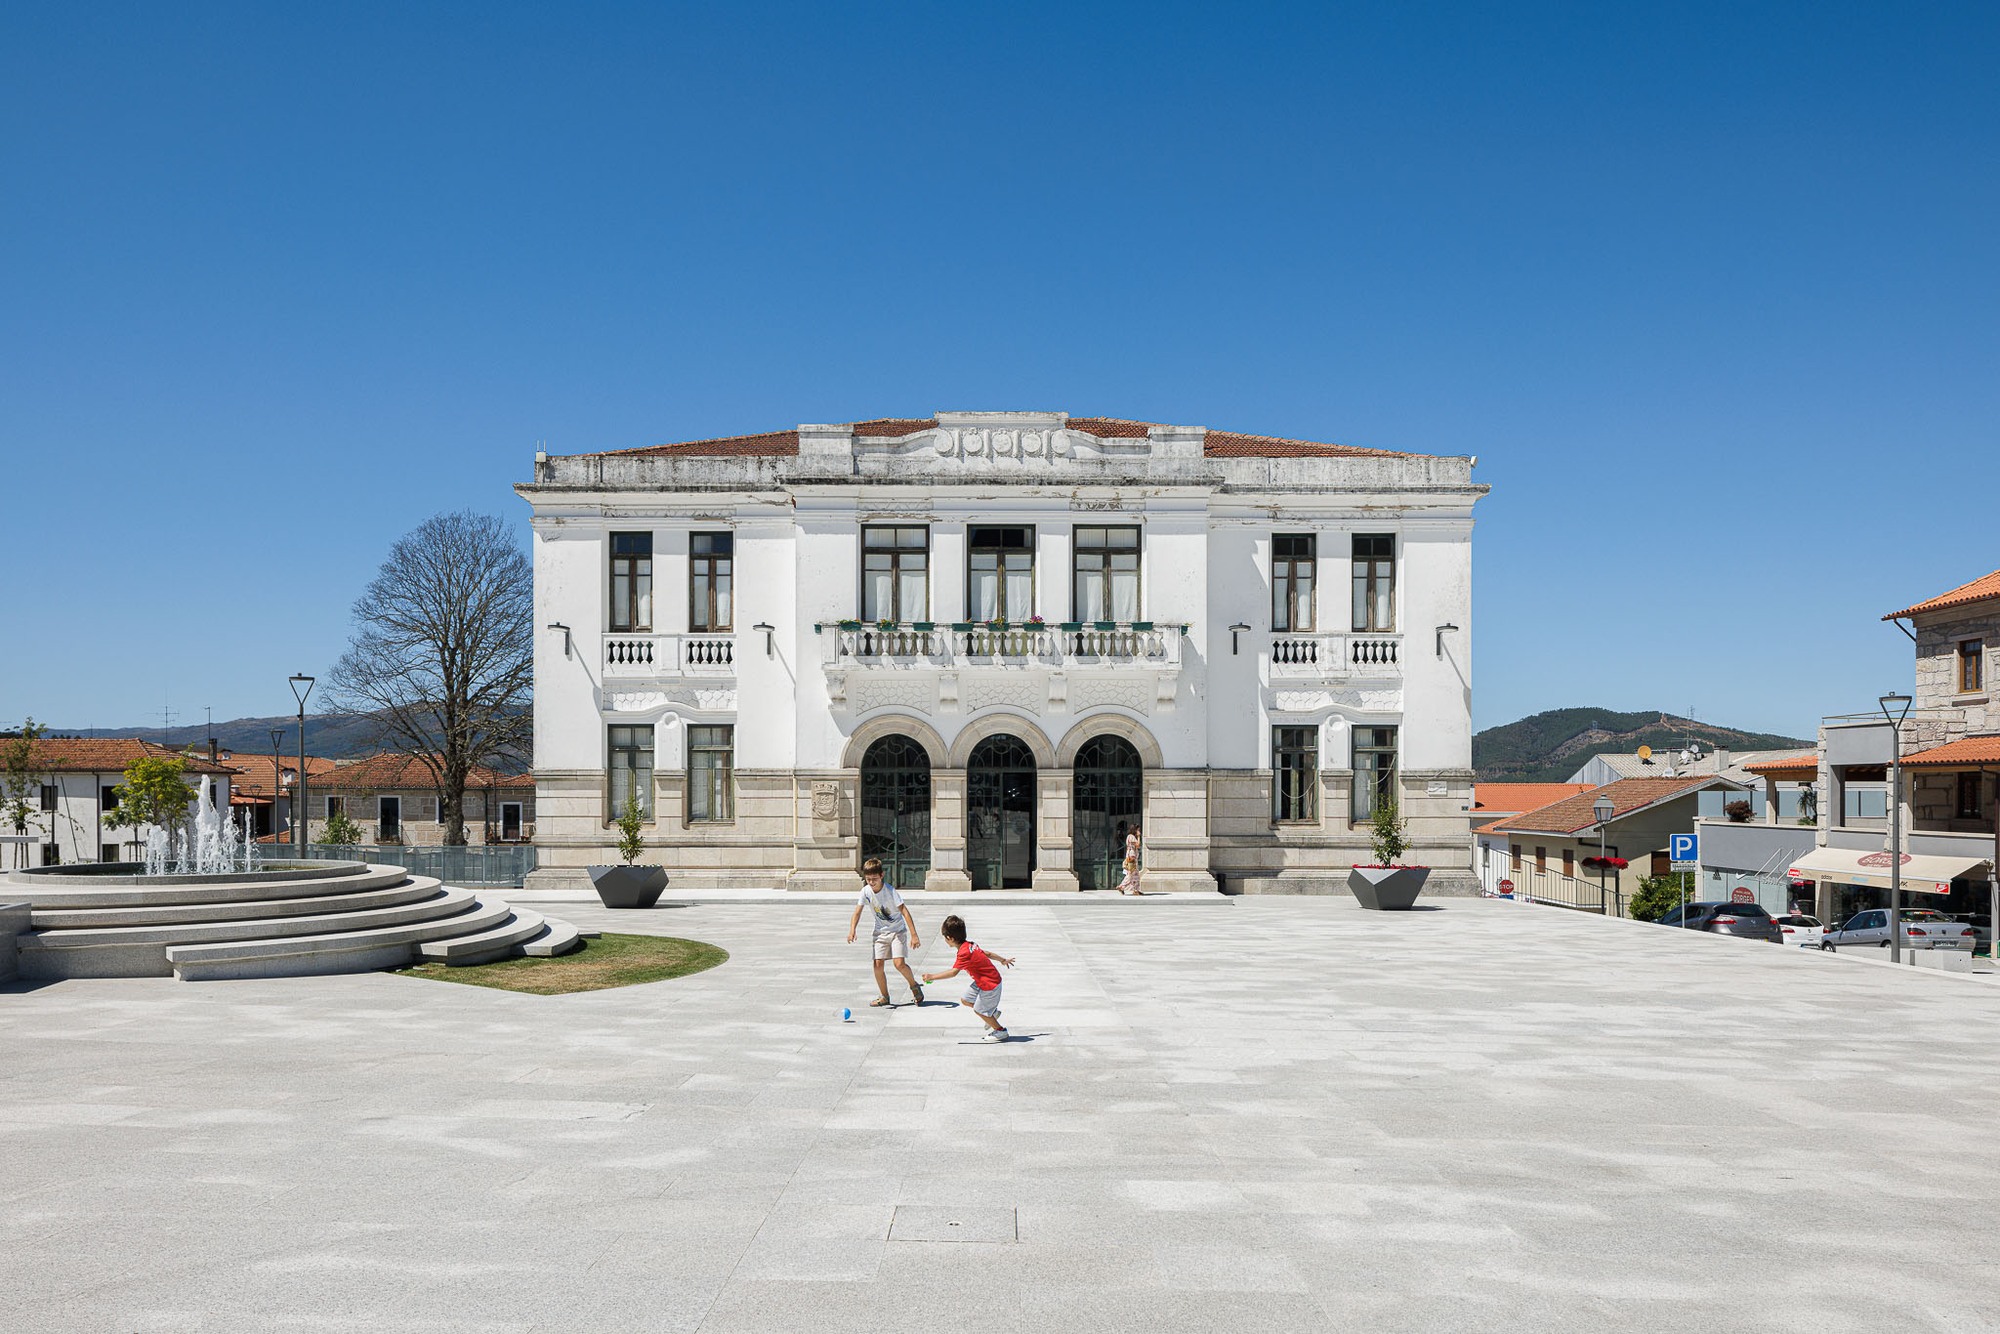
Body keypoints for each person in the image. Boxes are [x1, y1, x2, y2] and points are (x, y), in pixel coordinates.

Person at [923, 914, 1014, 1042]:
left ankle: (1000, 1031)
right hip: (983, 980)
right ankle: (993, 1014)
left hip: (990, 984)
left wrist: (932, 977)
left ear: (950, 938)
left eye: (945, 938)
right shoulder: (970, 944)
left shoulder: (963, 953)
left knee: (979, 1010)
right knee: (966, 1000)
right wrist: (1002, 960)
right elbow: (986, 953)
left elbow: (953, 972)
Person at [845, 857, 923, 1006]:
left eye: (874, 879)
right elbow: (857, 912)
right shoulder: (865, 891)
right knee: (877, 965)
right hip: (880, 933)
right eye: (868, 879)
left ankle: (914, 985)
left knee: (899, 964)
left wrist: (914, 935)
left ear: (882, 875)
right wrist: (852, 930)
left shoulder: (890, 891)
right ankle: (884, 996)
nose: (871, 882)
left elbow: (905, 912)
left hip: (897, 931)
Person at [1116, 824, 1143, 895]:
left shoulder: (1129, 837)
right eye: (1138, 829)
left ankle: (1136, 890)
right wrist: (1139, 836)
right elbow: (1138, 845)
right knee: (1131, 874)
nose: (1139, 831)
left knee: (1134, 874)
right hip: (1132, 856)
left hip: (1131, 856)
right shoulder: (1131, 837)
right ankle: (1122, 886)